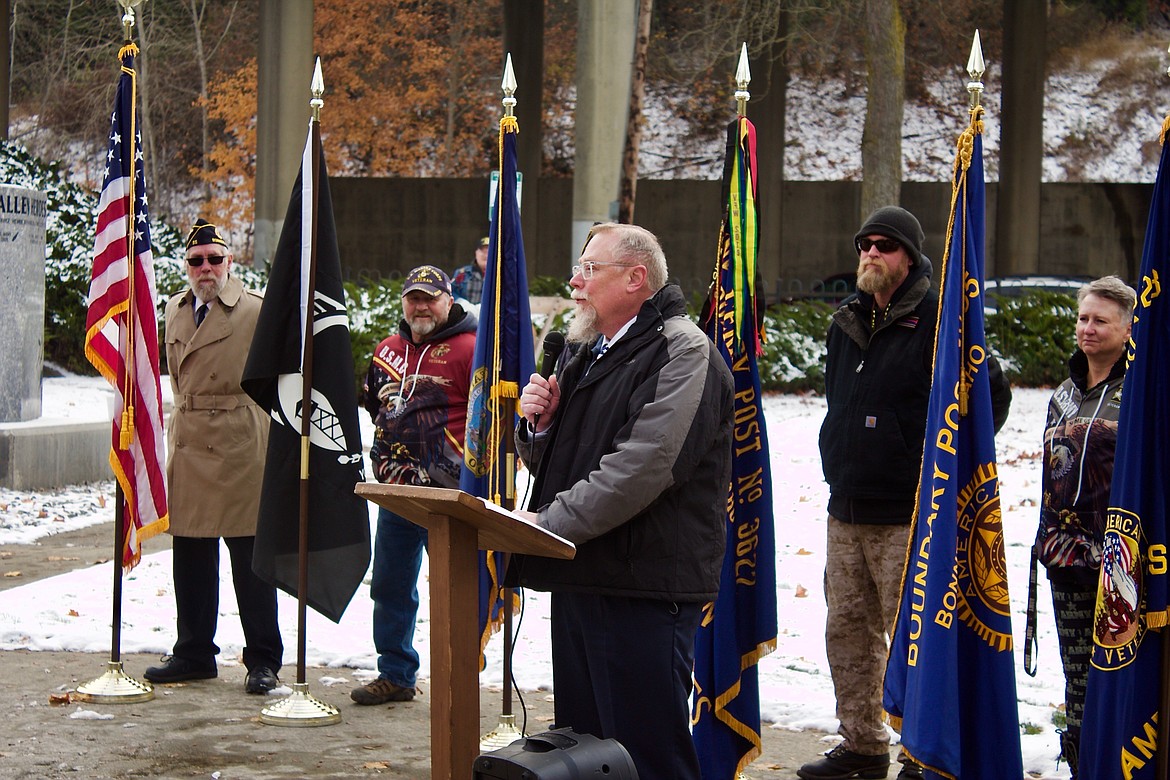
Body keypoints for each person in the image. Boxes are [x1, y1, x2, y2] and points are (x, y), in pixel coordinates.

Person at [512, 222, 734, 779]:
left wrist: (547, 524)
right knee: (588, 755)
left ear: (637, 278)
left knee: (645, 754)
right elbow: (560, 464)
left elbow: (645, 467)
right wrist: (539, 427)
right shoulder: (584, 351)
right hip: (583, 572)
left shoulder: (683, 351)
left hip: (645, 584)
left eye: (589, 269)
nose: (575, 282)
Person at [801, 207, 1011, 780]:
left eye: (885, 246)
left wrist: (936, 470)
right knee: (846, 633)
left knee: (912, 639)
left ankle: (919, 750)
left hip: (911, 517)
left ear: (911, 258)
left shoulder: (944, 324)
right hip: (844, 508)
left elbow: (991, 399)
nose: (871, 253)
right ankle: (863, 744)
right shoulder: (844, 321)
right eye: (864, 243)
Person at [145, 219, 282, 695]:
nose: (206, 269)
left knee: (250, 561)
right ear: (186, 267)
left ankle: (263, 660)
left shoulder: (255, 310)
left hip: (240, 442)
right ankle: (194, 652)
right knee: (192, 555)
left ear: (229, 263)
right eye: (196, 261)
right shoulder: (174, 311)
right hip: (190, 442)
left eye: (214, 260)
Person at [350, 264, 477, 705]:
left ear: (449, 300)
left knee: (454, 590)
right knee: (389, 586)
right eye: (414, 298)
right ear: (404, 302)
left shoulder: (470, 349)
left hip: (448, 499)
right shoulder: (387, 349)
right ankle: (396, 674)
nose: (421, 306)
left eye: (431, 297)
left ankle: (459, 676)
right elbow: (374, 405)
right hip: (397, 497)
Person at [1032, 275, 1134, 779]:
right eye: (1082, 318)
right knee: (1078, 679)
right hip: (1066, 558)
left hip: (1122, 562)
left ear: (1127, 328)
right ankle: (1082, 767)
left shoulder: (1140, 392)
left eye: (1101, 320)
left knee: (1121, 676)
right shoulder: (1064, 395)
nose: (1088, 328)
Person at [450, 235, 489, 306]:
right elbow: (450, 291)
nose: (486, 255)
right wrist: (462, 303)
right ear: (476, 253)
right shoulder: (463, 273)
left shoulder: (501, 275)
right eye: (483, 251)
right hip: (466, 314)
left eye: (489, 251)